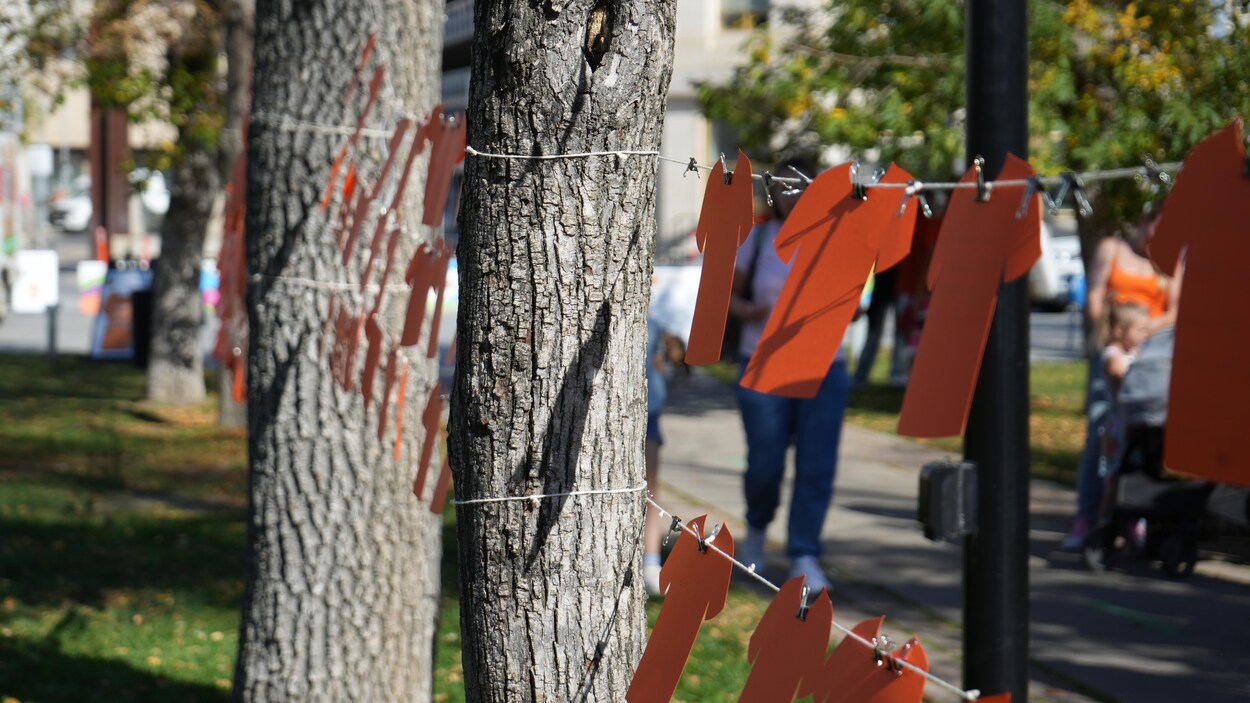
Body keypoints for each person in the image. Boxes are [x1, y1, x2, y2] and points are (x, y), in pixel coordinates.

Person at [726, 157, 850, 593]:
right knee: (764, 462)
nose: (792, 194)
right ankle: (756, 534)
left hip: (824, 367)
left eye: (802, 187)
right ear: (771, 192)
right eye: (783, 186)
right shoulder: (758, 240)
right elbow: (730, 298)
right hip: (763, 367)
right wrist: (750, 311)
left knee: (816, 465)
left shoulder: (837, 238)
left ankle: (804, 554)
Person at [1062, 208, 1181, 549]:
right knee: (1100, 435)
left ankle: (1132, 515)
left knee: (1144, 439)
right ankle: (1088, 516)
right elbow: (1095, 296)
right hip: (1114, 350)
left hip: (1150, 359)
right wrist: (1115, 338)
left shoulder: (1169, 261)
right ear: (1145, 221)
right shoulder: (1113, 249)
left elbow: (1175, 309)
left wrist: (1141, 333)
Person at [643, 315, 670, 597]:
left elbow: (658, 369)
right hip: (649, 410)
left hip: (649, 413)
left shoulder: (653, 325)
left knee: (649, 488)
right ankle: (650, 562)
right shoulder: (653, 325)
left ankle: (650, 562)